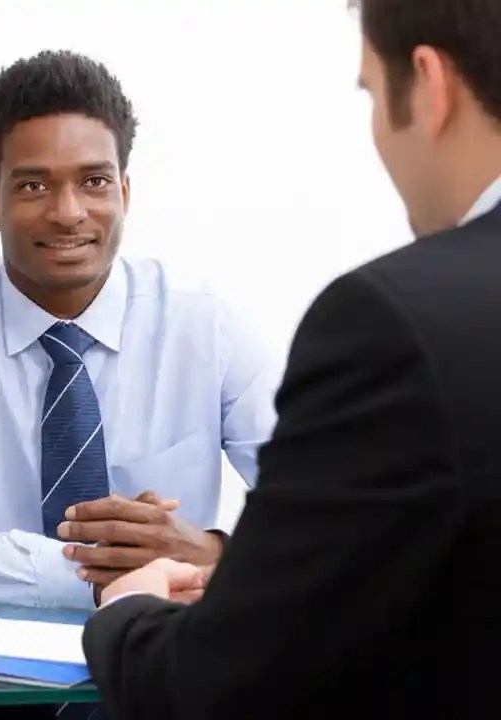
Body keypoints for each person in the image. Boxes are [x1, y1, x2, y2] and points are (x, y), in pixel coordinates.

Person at [82, 1, 501, 717]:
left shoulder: (393, 324)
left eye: (371, 91)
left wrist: (123, 613)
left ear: (430, 85)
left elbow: (221, 687)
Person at [0, 49, 280, 617]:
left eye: (94, 181)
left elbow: (327, 511)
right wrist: (94, 577)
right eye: (33, 187)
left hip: (163, 672)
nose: (68, 212)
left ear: (124, 192)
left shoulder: (209, 324)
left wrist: (213, 552)